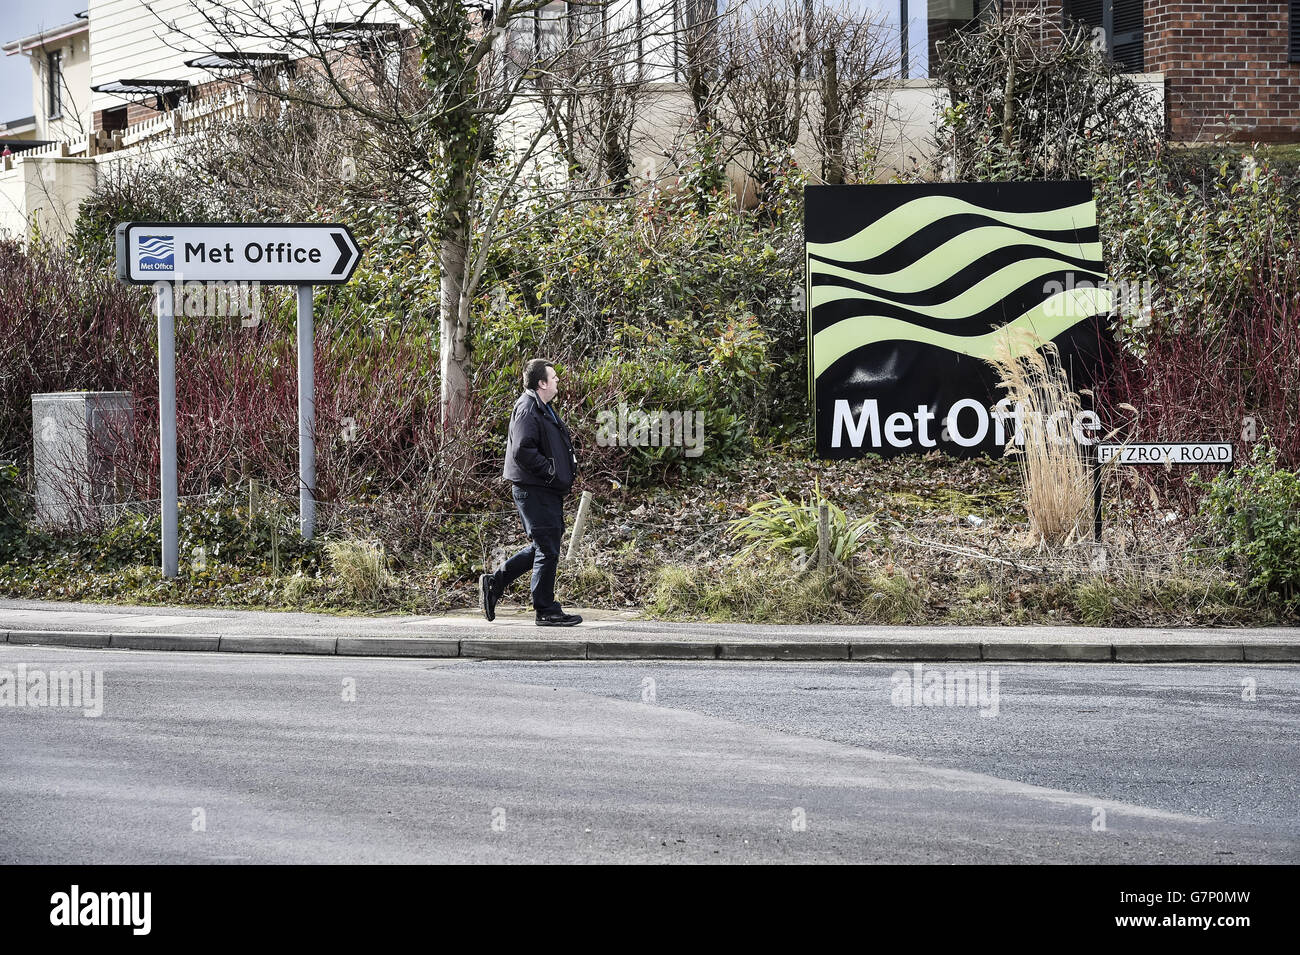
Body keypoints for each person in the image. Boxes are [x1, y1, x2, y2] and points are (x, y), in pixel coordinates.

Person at [480, 358, 582, 627]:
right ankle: (545, 610)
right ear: (542, 383)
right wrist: (550, 471)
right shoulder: (528, 408)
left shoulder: (542, 407)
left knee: (544, 546)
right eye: (554, 376)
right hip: (534, 489)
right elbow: (522, 451)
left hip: (545, 490)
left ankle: (495, 582)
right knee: (547, 549)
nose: (558, 380)